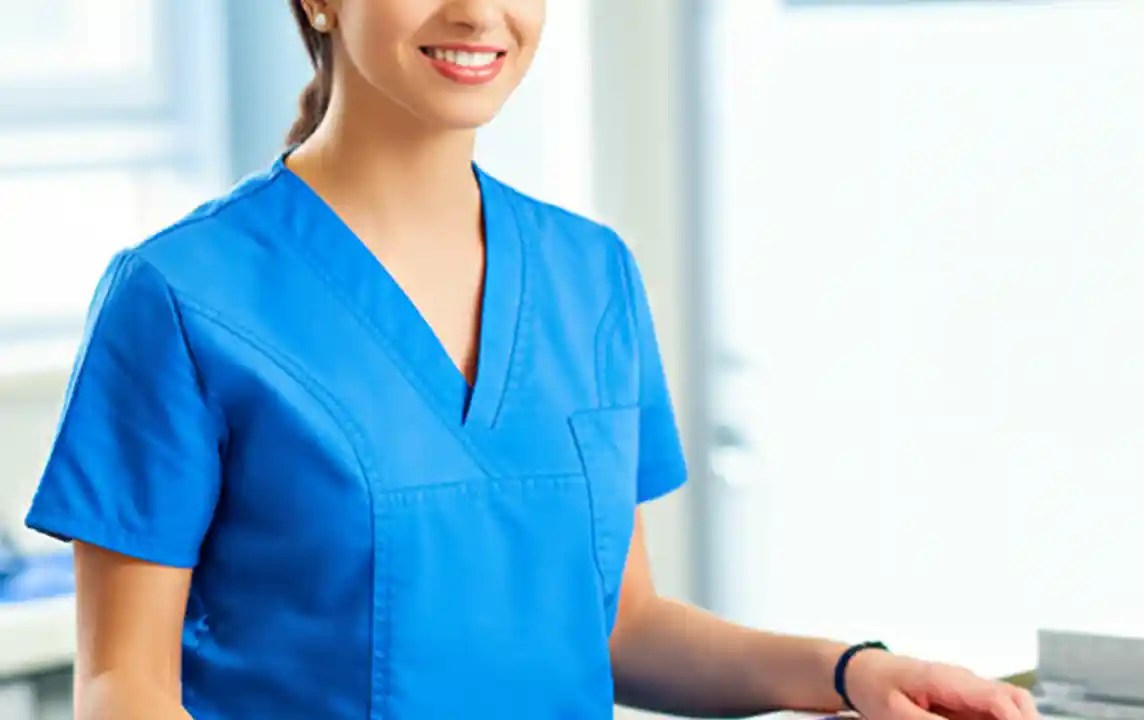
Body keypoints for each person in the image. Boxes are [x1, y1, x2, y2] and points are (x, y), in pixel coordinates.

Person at [24, 1, 1041, 718]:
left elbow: (621, 628)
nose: (478, 10)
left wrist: (850, 672)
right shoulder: (181, 295)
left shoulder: (589, 274)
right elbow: (125, 686)